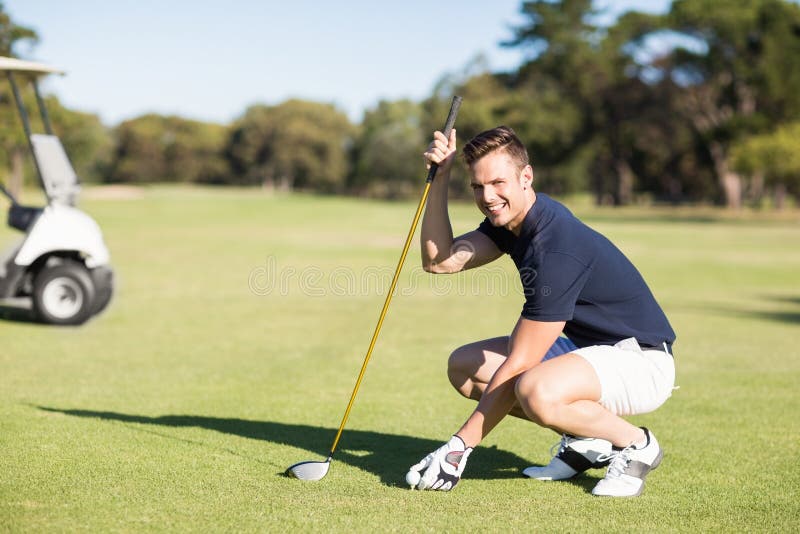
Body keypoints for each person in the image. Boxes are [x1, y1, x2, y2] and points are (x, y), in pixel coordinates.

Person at [407, 126, 676, 497]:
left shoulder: (556, 248)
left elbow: (520, 363)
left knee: (534, 389)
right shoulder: (515, 222)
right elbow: (440, 261)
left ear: (526, 177)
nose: (488, 197)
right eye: (477, 187)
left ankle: (636, 444)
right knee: (466, 367)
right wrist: (440, 177)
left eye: (498, 183)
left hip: (641, 361)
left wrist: (458, 448)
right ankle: (587, 440)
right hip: (590, 351)